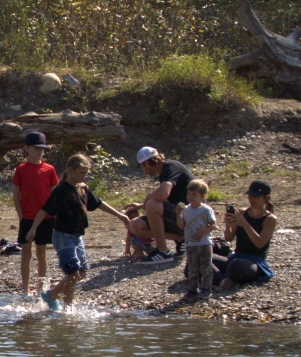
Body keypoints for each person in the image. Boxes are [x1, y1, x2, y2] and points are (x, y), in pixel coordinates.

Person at [25, 152, 133, 310]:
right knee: (73, 272)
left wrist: (119, 215)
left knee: (81, 272)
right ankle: (64, 306)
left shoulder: (83, 188)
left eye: (86, 173)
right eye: (81, 173)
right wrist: (33, 228)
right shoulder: (61, 190)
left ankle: (54, 297)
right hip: (63, 236)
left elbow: (99, 203)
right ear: (70, 170)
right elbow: (44, 211)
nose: (84, 176)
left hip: (77, 237)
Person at [11, 131, 59, 295]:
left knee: (41, 252)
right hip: (27, 217)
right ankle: (25, 289)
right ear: (27, 148)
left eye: (42, 148)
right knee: (26, 252)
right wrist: (21, 216)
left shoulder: (49, 169)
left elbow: (54, 195)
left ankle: (41, 288)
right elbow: (16, 195)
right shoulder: (21, 169)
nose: (40, 151)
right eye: (36, 147)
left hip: (45, 218)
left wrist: (54, 213)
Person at [127, 147, 193, 264]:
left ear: (146, 163)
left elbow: (162, 194)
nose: (143, 170)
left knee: (152, 204)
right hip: (179, 215)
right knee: (135, 225)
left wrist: (148, 198)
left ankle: (163, 252)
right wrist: (142, 205)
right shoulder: (165, 172)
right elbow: (167, 200)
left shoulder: (170, 167)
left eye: (142, 166)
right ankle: (180, 239)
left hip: (192, 217)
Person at [214, 180, 278, 288]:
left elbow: (260, 243)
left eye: (256, 197)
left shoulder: (270, 219)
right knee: (201, 258)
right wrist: (228, 225)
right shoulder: (242, 212)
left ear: (266, 197)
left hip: (254, 261)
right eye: (250, 196)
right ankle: (223, 280)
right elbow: (229, 238)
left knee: (236, 265)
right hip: (235, 256)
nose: (251, 199)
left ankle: (215, 277)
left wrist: (245, 224)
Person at [176, 179, 218, 301]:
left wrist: (204, 231)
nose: (190, 196)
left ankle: (206, 288)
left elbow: (213, 225)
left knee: (206, 267)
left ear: (202, 196)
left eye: (194, 194)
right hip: (190, 243)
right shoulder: (186, 210)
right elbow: (181, 225)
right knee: (192, 267)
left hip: (204, 243)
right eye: (189, 193)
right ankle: (192, 288)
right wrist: (178, 214)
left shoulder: (206, 210)